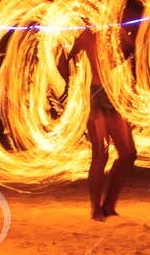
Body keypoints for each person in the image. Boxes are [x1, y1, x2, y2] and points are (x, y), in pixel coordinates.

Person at [59, 16, 137, 220]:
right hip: (97, 96)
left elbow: (130, 53)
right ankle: (95, 209)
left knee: (128, 153)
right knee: (100, 153)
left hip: (115, 96)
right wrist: (66, 84)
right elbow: (66, 59)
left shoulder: (117, 31)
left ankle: (109, 205)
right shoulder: (87, 35)